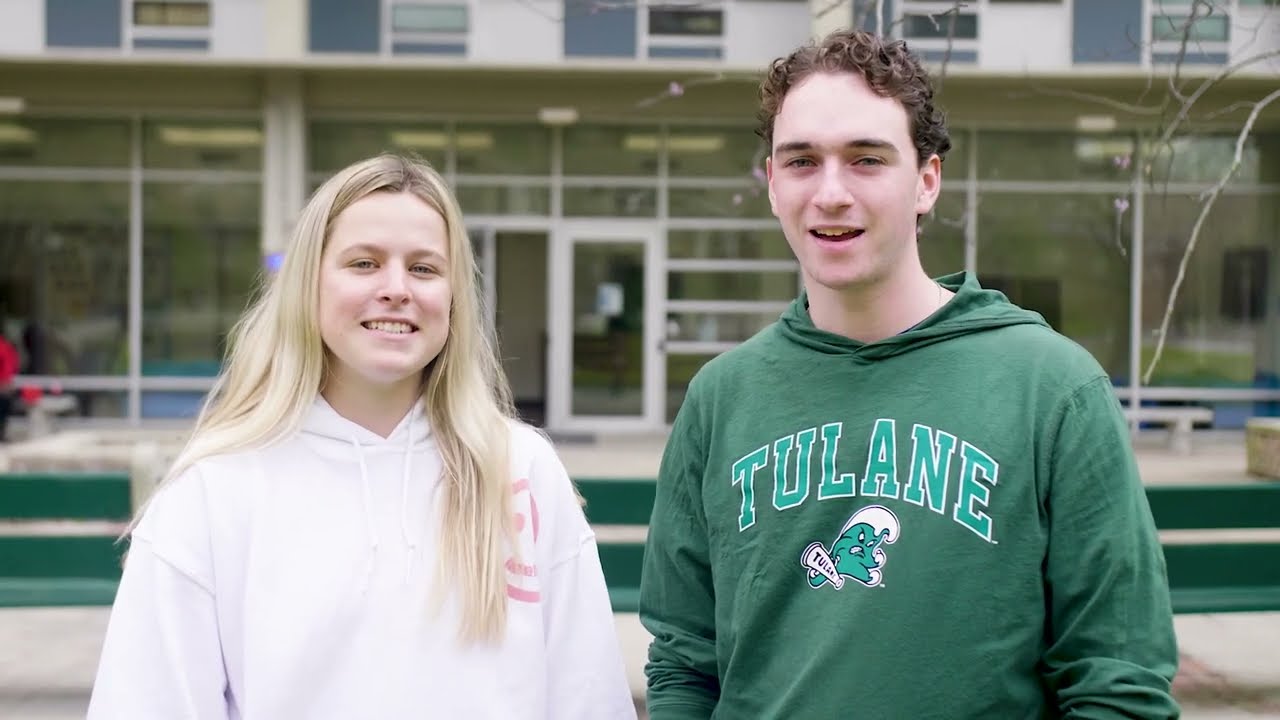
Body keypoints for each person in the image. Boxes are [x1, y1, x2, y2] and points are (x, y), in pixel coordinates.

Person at [639, 29, 1180, 719]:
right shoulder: (722, 397)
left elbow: (1119, 678)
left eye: (866, 159)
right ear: (773, 183)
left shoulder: (1052, 389)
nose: (831, 193)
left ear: (927, 181)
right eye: (802, 161)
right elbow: (685, 662)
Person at [88, 154, 637, 719]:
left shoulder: (521, 470)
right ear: (309, 284)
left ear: (454, 297)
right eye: (364, 263)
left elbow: (587, 696)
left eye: (423, 268)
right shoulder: (212, 492)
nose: (396, 289)